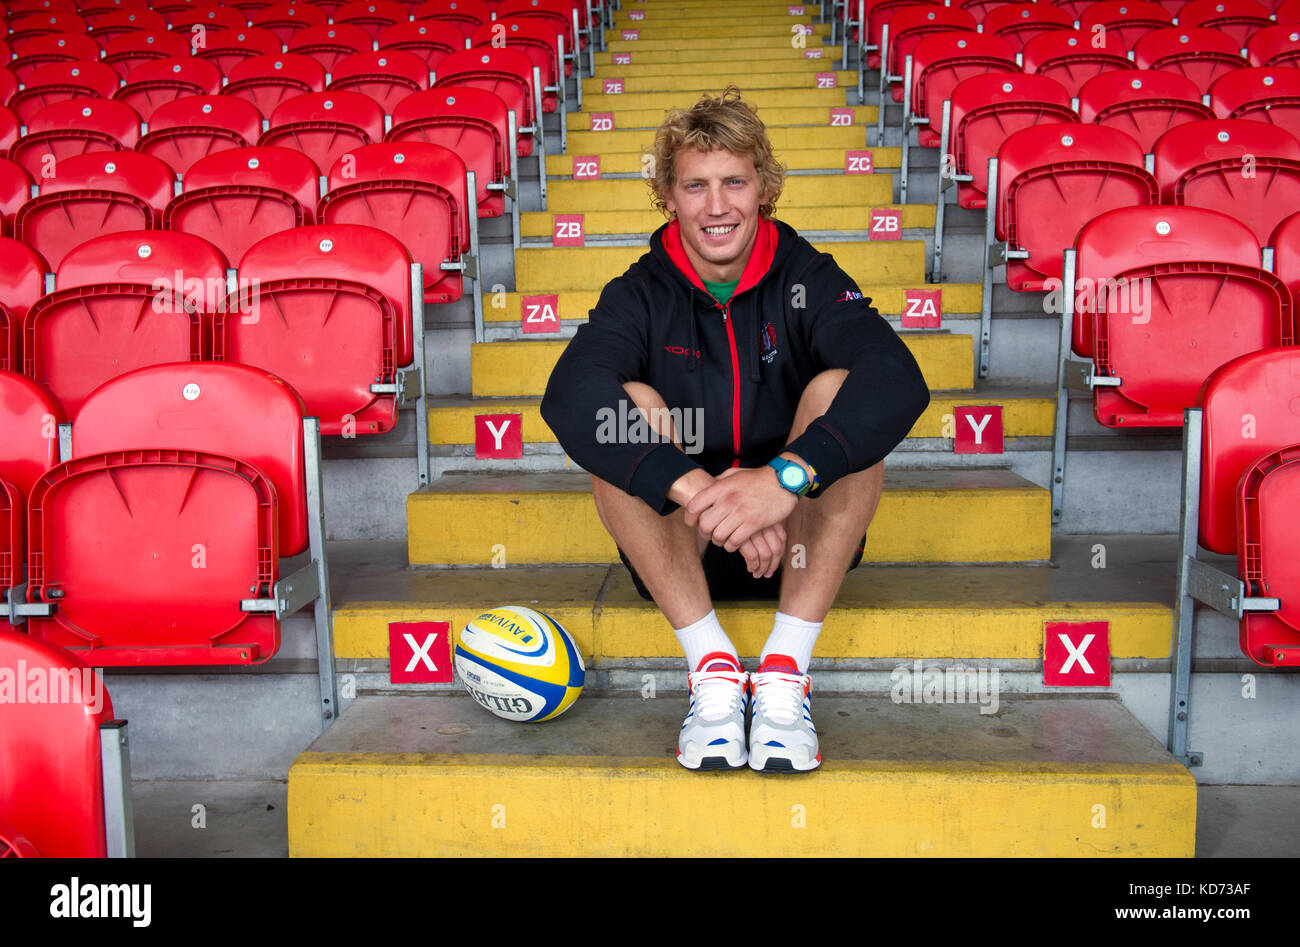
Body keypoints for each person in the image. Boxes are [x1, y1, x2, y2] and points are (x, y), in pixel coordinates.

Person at [540, 86, 930, 772]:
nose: (716, 206)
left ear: (764, 188)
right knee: (624, 400)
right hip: (681, 545)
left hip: (802, 539)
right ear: (668, 195)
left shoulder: (806, 276)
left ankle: (783, 675)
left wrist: (783, 479)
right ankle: (714, 673)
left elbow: (898, 378)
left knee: (843, 388)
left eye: (734, 183)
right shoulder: (639, 292)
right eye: (695, 185)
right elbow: (570, 396)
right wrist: (705, 493)